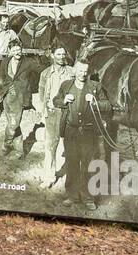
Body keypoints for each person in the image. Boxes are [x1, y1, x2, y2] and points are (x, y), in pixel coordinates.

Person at [57, 57, 108, 208]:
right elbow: (55, 100)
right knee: (72, 163)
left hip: (88, 132)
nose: (82, 74)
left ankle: (88, 198)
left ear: (88, 72)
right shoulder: (66, 85)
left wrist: (95, 102)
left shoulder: (95, 86)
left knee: (88, 165)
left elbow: (108, 106)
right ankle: (72, 196)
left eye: (85, 71)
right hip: (70, 131)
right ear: (74, 70)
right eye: (80, 70)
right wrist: (64, 100)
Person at [36, 47, 73, 184]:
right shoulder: (45, 74)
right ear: (52, 56)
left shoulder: (72, 72)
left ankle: (71, 177)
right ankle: (49, 176)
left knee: (71, 144)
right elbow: (41, 93)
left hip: (68, 112)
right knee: (51, 145)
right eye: (58, 54)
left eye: (63, 54)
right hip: (52, 112)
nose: (61, 57)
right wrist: (43, 110)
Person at [0, 41, 40, 153]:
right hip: (7, 95)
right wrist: (1, 91)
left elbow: (41, 70)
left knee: (14, 123)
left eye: (19, 50)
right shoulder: (5, 61)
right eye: (14, 50)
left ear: (22, 50)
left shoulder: (28, 62)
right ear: (10, 51)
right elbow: (1, 77)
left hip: (20, 97)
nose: (17, 52)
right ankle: (19, 149)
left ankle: (6, 144)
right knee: (12, 122)